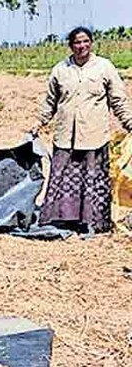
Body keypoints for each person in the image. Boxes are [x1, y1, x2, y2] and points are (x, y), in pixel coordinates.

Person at [32, 26, 132, 234]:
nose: (82, 46)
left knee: (93, 180)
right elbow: (50, 102)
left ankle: (94, 222)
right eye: (77, 42)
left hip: (94, 135)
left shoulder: (104, 67)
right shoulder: (61, 69)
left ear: (91, 43)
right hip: (65, 137)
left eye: (86, 41)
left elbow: (118, 100)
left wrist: (129, 122)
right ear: (71, 46)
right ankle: (62, 220)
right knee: (63, 178)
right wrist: (38, 123)